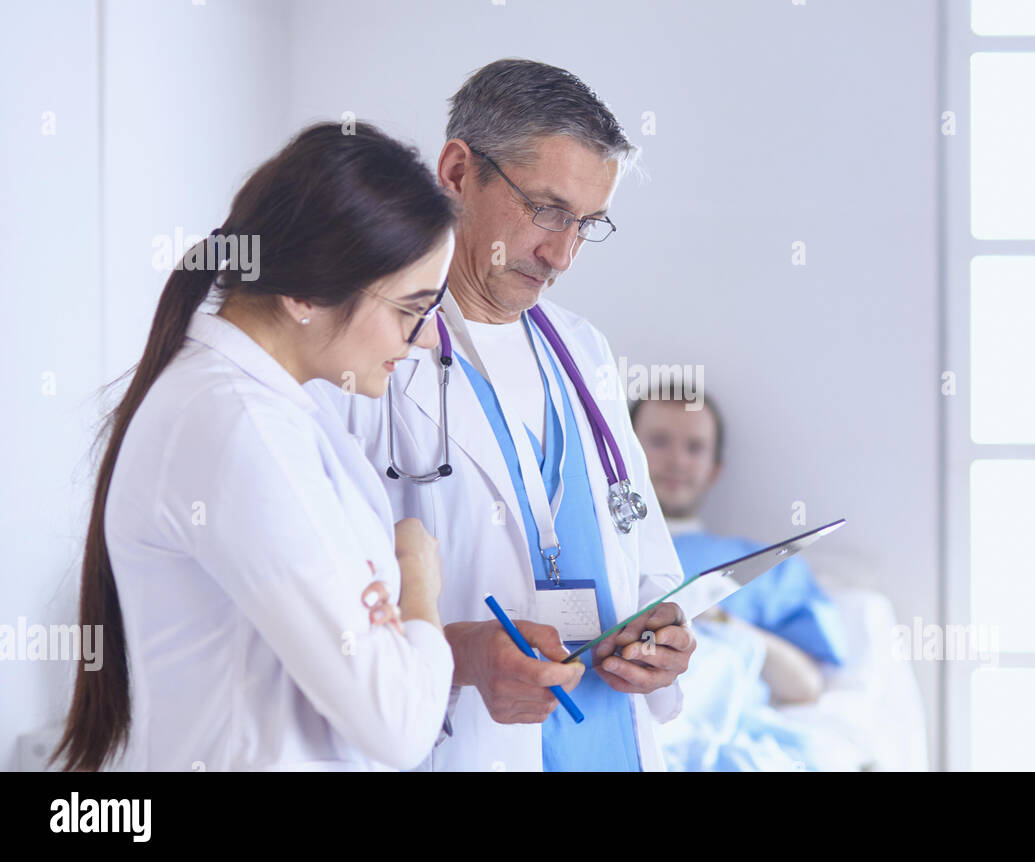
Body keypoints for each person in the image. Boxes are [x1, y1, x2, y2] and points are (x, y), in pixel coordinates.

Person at [310, 59, 693, 771]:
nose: (563, 254)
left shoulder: (584, 351)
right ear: (456, 173)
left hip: (614, 744)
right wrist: (463, 660)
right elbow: (323, 626)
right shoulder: (360, 357)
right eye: (547, 210)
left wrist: (666, 631)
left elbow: (647, 564)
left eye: (587, 224)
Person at [52, 122, 457, 771]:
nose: (429, 340)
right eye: (412, 308)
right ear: (305, 294)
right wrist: (419, 583)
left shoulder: (263, 409)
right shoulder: (240, 429)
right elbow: (399, 723)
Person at [631, 388, 848, 705]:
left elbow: (805, 686)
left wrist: (715, 618)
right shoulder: (593, 554)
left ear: (715, 469)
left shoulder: (767, 566)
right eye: (660, 441)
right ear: (627, 451)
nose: (676, 460)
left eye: (695, 448)